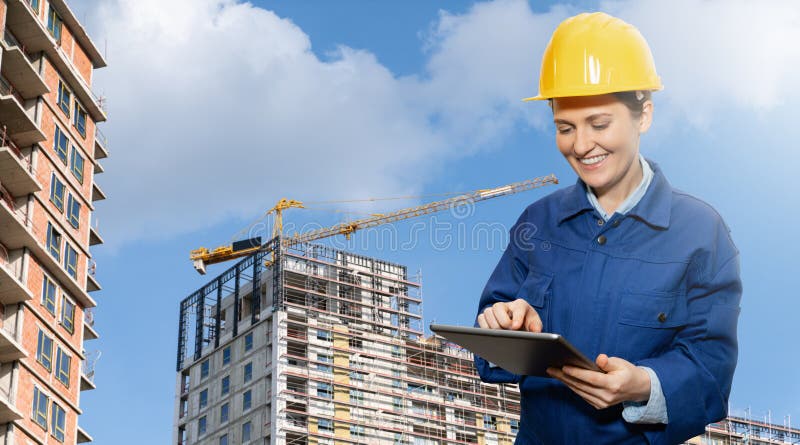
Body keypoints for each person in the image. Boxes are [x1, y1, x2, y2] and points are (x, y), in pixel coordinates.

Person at [474, 12, 741, 445]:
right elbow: (491, 347)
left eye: (599, 124)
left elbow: (712, 370)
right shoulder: (537, 223)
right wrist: (503, 327)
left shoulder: (701, 233)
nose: (580, 145)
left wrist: (645, 386)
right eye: (565, 127)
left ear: (644, 116)